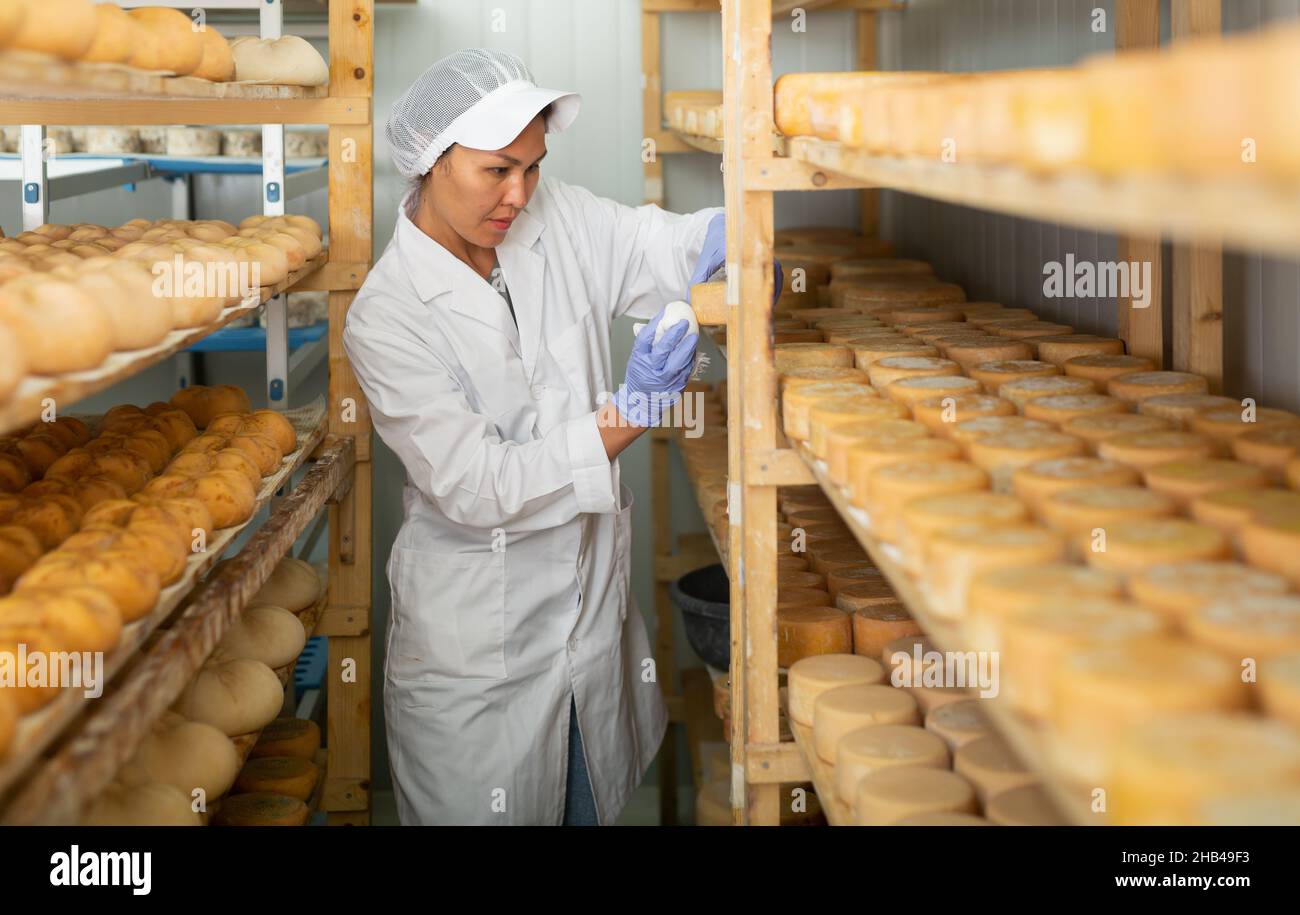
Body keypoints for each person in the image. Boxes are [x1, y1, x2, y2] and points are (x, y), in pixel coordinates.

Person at [343, 48, 731, 825]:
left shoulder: (554, 217)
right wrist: (633, 408)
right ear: (431, 163)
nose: (520, 194)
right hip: (482, 669)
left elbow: (653, 247)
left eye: (534, 167)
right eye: (497, 170)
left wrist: (730, 233)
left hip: (591, 642)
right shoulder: (386, 317)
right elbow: (479, 485)